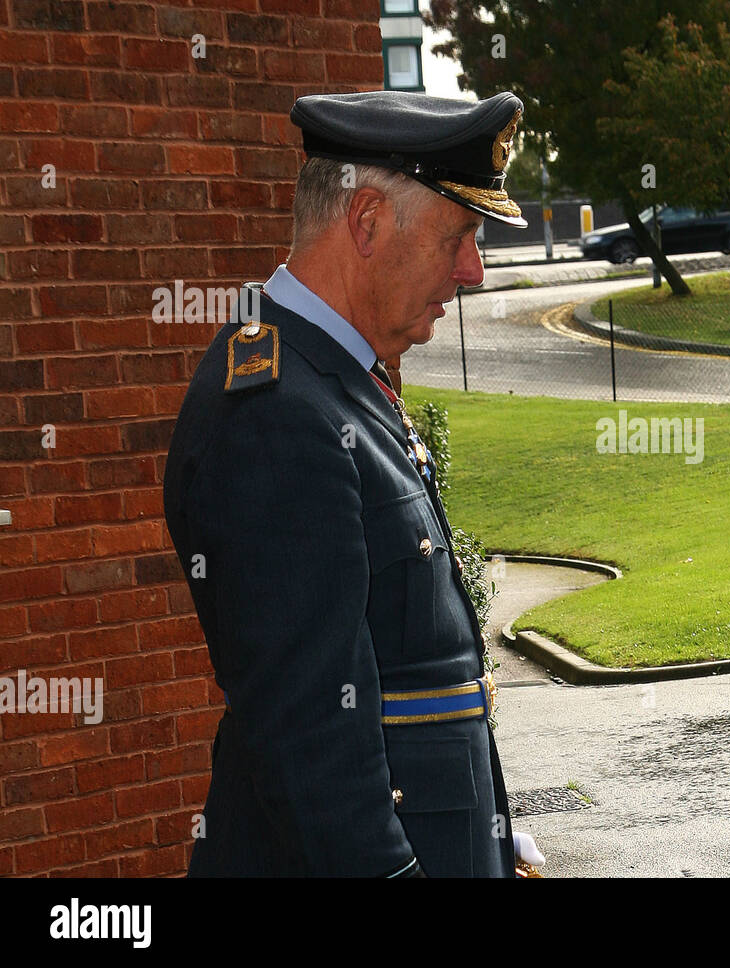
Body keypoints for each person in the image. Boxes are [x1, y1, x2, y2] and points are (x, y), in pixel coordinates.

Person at [163, 90, 533, 877]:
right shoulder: (277, 412)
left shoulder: (330, 379)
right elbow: (311, 743)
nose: (471, 270)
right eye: (459, 236)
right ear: (365, 222)